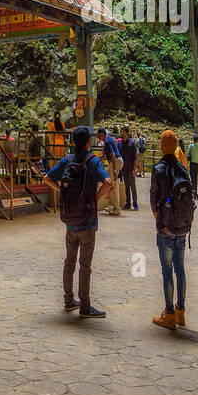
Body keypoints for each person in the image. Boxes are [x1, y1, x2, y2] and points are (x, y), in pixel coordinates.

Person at [47, 124, 112, 318]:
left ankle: (69, 301)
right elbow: (108, 183)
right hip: (87, 221)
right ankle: (85, 306)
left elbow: (47, 178)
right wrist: (95, 198)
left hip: (70, 221)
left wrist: (63, 192)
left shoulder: (67, 160)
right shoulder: (93, 161)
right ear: (89, 142)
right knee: (85, 266)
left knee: (69, 262)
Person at [150, 129, 195, 330]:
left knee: (167, 271)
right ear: (176, 146)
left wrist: (159, 221)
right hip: (182, 228)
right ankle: (180, 313)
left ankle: (168, 315)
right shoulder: (182, 168)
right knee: (180, 270)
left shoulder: (158, 169)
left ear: (161, 146)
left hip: (166, 228)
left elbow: (153, 199)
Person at [98, 126, 122, 216]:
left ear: (102, 134)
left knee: (113, 185)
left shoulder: (107, 141)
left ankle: (116, 208)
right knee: (109, 182)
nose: (98, 138)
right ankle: (112, 204)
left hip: (115, 162)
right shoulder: (108, 139)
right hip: (115, 162)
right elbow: (104, 155)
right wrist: (98, 161)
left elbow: (112, 155)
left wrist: (115, 170)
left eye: (98, 136)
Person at [120, 127, 138, 210]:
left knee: (133, 186)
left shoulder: (132, 143)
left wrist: (134, 169)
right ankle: (128, 203)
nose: (121, 133)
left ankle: (135, 204)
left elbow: (135, 158)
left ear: (127, 133)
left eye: (123, 131)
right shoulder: (120, 143)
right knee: (126, 186)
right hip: (124, 168)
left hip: (131, 168)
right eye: (121, 131)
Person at [186, 133, 198, 200]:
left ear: (193, 139)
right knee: (195, 179)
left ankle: (194, 192)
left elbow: (187, 154)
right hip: (197, 164)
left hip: (192, 163)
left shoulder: (191, 146)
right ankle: (195, 191)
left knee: (192, 178)